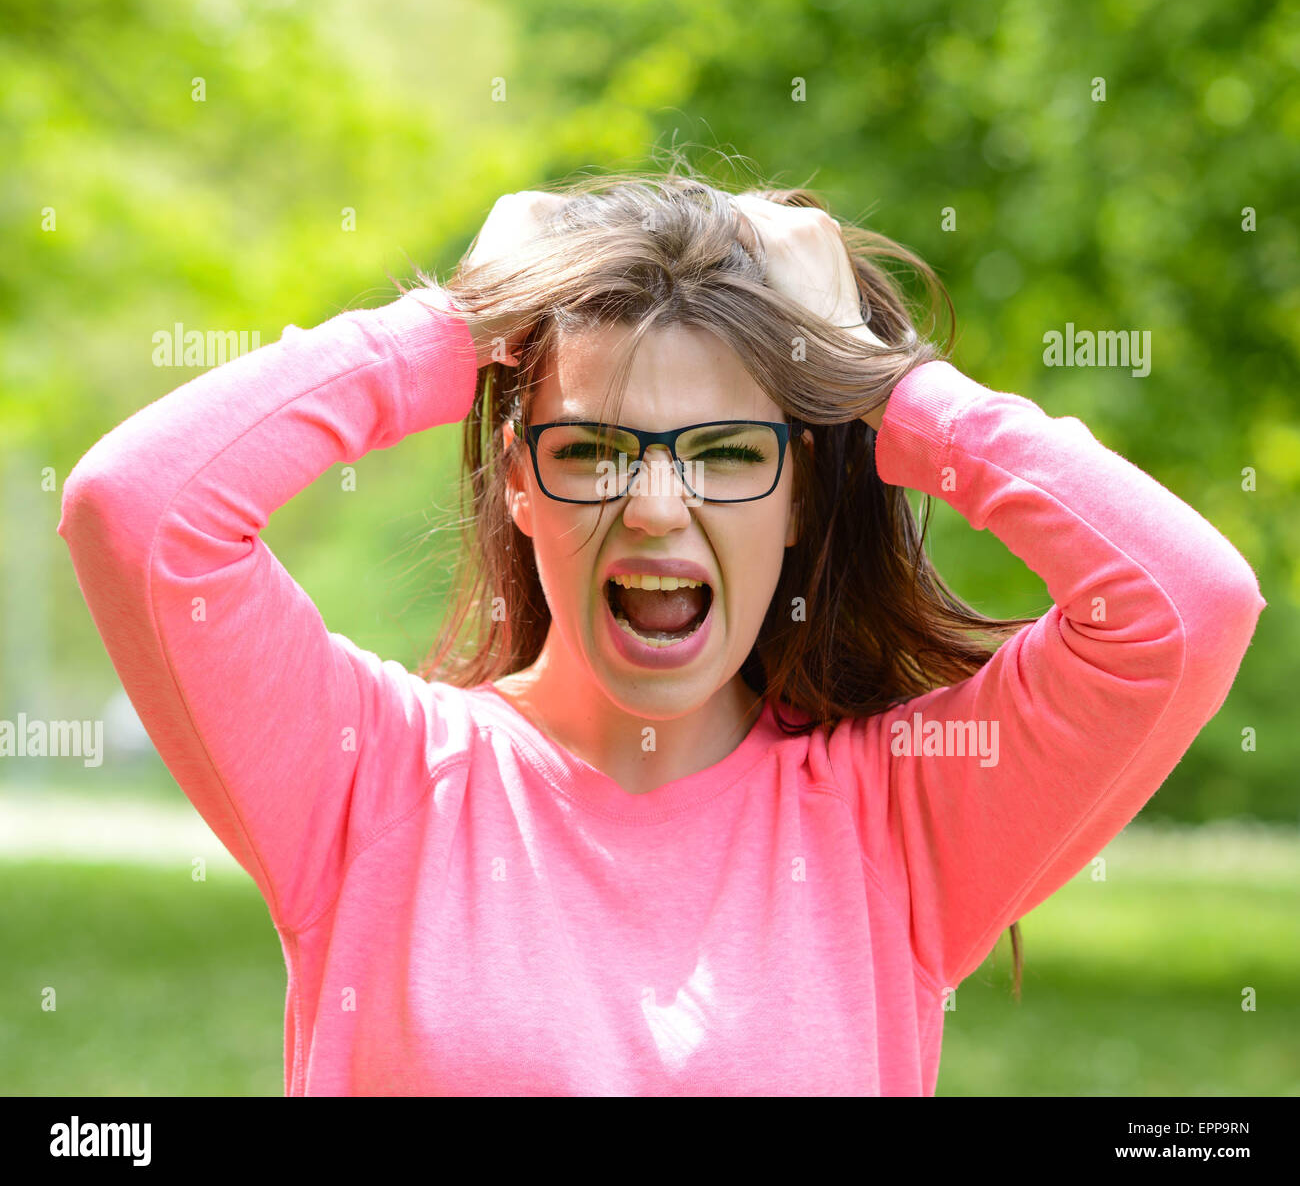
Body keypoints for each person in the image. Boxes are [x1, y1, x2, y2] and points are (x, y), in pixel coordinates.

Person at [57, 169, 1265, 1096]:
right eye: (588, 449)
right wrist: (453, 329)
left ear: (799, 495)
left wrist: (883, 382)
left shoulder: (901, 818)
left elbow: (1184, 606)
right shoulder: (374, 777)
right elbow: (141, 511)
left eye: (728, 453)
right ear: (515, 488)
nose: (653, 505)